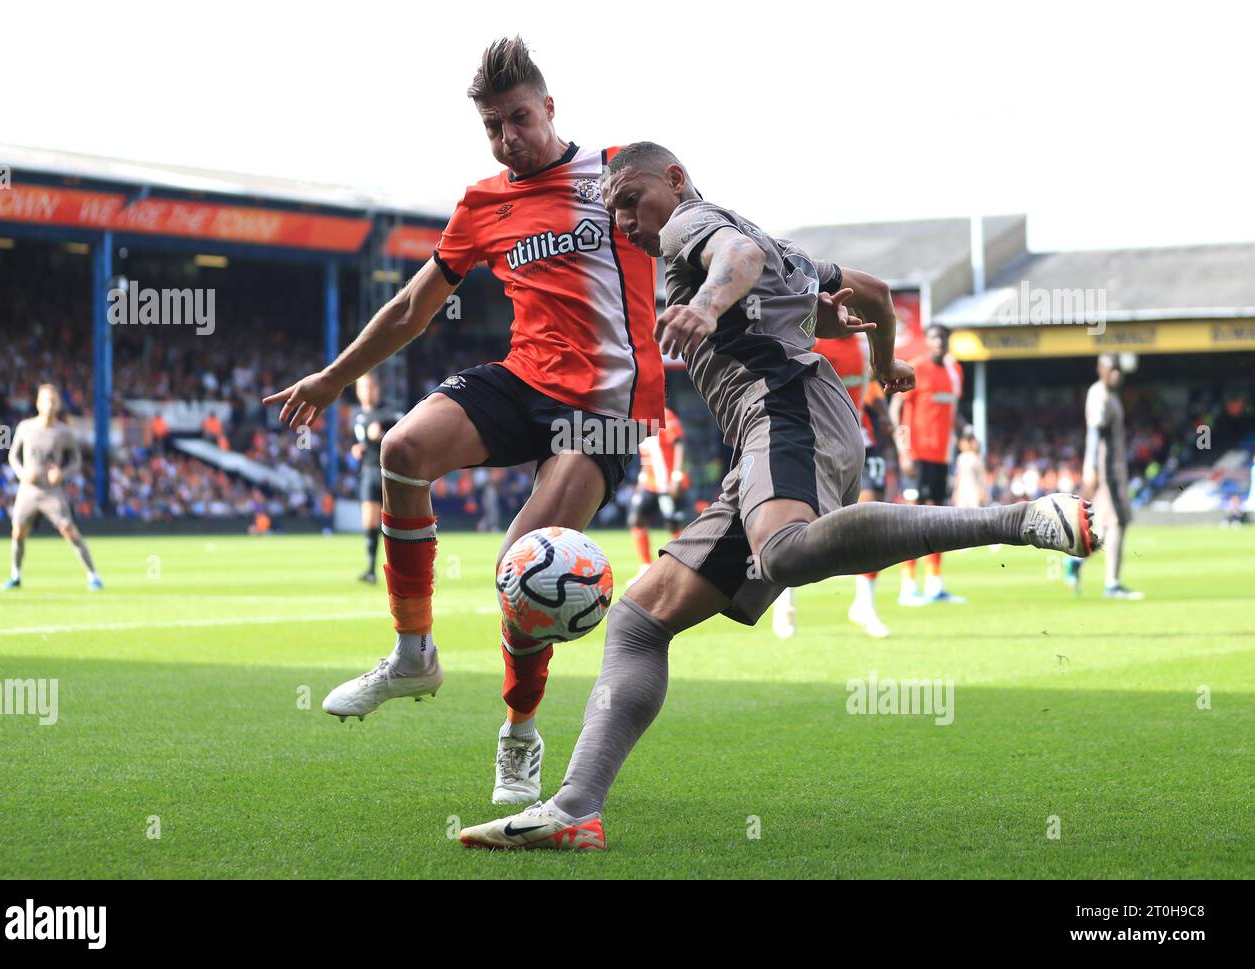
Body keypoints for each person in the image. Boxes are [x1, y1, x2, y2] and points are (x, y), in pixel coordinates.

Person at [458, 142, 1099, 850]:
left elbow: (737, 259)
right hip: (780, 427)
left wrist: (703, 304)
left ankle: (1021, 518)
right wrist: (885, 361)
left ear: (672, 180)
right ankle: (576, 806)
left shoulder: (690, 226)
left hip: (783, 409)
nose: (624, 220)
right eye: (611, 211)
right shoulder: (775, 243)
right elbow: (876, 295)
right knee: (640, 618)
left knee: (785, 553)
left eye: (630, 200)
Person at [263, 37, 664, 805]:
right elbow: (413, 306)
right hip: (523, 377)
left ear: (550, 107)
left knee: (524, 571)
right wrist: (332, 378)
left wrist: (766, 301)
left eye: (519, 118)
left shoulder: (620, 170)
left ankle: (519, 732)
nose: (509, 137)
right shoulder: (484, 204)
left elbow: (697, 238)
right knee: (403, 447)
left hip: (605, 407)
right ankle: (413, 652)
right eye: (492, 126)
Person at [773, 330, 895, 639]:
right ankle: (784, 599)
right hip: (820, 441)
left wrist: (886, 417)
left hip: (860, 440)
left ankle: (864, 605)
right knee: (802, 524)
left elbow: (872, 391)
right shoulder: (811, 343)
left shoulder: (865, 343)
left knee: (870, 522)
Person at [890, 323, 967, 605]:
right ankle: (908, 587)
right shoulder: (916, 368)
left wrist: (966, 430)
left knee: (938, 521)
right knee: (912, 520)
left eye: (943, 339)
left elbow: (953, 412)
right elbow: (895, 408)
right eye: (934, 339)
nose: (939, 343)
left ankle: (935, 585)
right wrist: (903, 451)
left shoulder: (954, 372)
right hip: (917, 455)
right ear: (927, 341)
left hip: (941, 457)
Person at [1, 384, 103, 591]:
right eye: (46, 400)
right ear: (38, 403)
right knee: (18, 532)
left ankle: (93, 576)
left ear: (58, 405)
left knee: (69, 530)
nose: (50, 405)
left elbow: (76, 460)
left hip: (51, 491)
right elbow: (12, 456)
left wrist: (62, 474)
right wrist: (21, 473)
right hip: (28, 490)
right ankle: (15, 575)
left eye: (53, 401)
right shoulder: (25, 427)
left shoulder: (64, 432)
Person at [1065, 354, 1143, 598]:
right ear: (1100, 370)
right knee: (1118, 522)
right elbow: (1094, 433)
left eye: (1119, 369)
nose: (1117, 374)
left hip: (1115, 468)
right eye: (1112, 369)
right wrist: (1091, 468)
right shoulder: (1100, 395)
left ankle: (1078, 561)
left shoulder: (1110, 394)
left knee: (1107, 526)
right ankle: (1112, 584)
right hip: (1107, 470)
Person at [350, 373, 402, 583]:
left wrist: (382, 434)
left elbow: (403, 423)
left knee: (398, 522)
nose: (367, 392)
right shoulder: (357, 415)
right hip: (369, 471)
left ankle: (420, 567)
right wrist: (358, 449)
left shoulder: (388, 412)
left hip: (390, 473)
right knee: (369, 521)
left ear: (377, 389)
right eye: (363, 387)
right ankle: (371, 570)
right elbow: (362, 441)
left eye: (370, 387)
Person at [627, 404, 687, 586]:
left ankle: (682, 568)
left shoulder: (665, 415)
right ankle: (645, 566)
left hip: (667, 483)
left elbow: (679, 443)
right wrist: (641, 480)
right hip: (649, 483)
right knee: (636, 519)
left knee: (673, 525)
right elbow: (647, 455)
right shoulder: (638, 421)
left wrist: (677, 476)